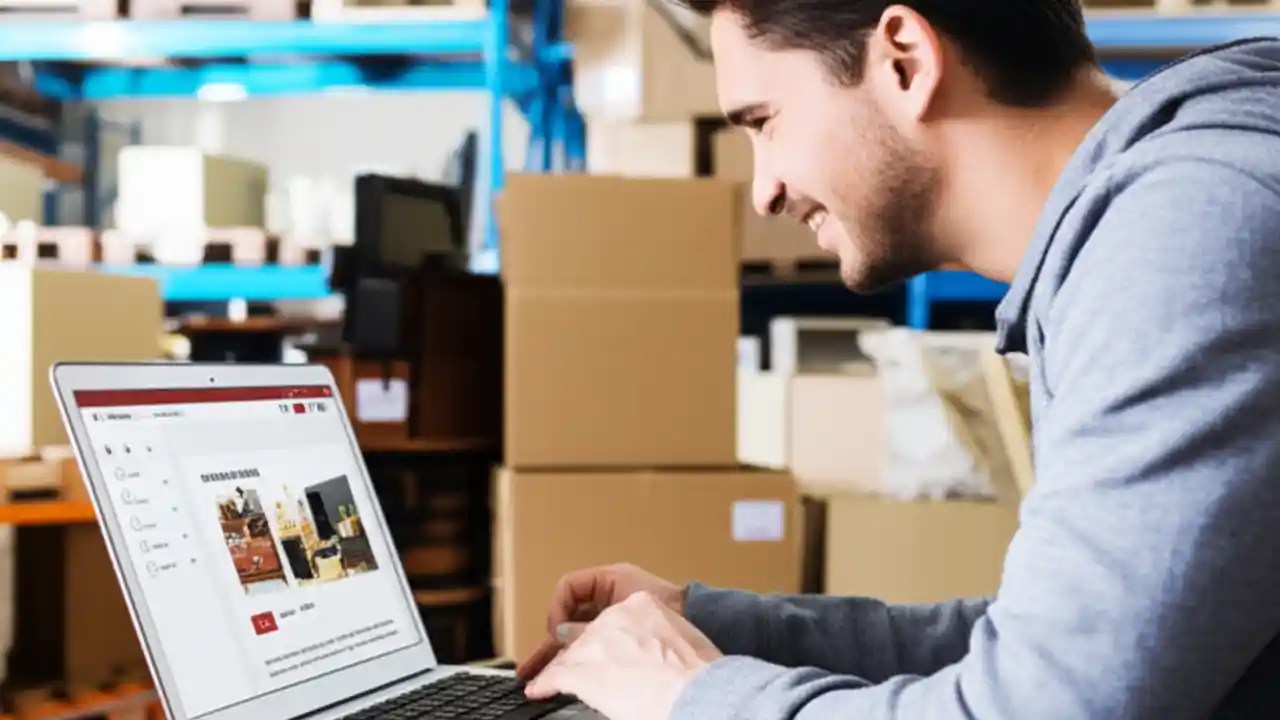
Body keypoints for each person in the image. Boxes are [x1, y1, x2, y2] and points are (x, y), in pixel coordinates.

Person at [516, 1, 1280, 718]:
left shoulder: (1183, 235)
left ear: (905, 61)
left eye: (765, 121)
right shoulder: (1177, 204)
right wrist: (720, 628)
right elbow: (1060, 648)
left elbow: (1039, 707)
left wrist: (693, 695)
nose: (765, 190)